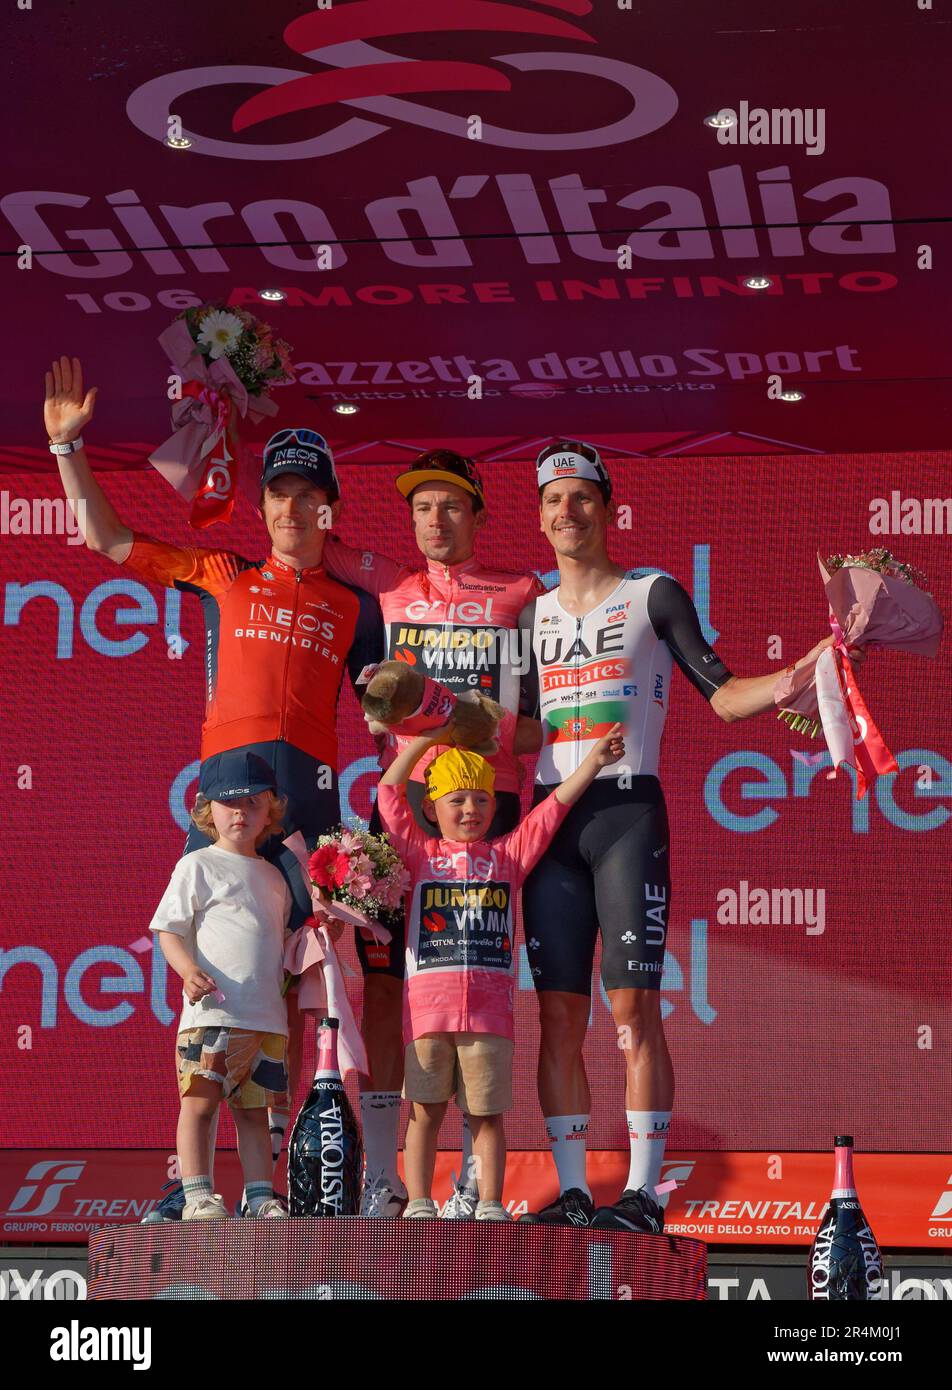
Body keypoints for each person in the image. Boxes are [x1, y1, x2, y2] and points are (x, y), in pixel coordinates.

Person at [44, 357, 382, 1219]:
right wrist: (66, 448)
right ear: (263, 503)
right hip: (229, 793)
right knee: (208, 971)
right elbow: (107, 541)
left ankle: (302, 1174)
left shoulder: (355, 605)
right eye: (280, 493)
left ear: (328, 508)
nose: (293, 508)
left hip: (307, 798)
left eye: (310, 495)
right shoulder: (223, 574)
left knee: (307, 981)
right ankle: (185, 1179)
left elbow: (387, 713)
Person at [518, 440, 865, 1229]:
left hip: (626, 815)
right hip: (549, 821)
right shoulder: (526, 611)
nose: (566, 513)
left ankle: (641, 1196)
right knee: (559, 1016)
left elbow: (723, 695)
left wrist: (800, 674)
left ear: (605, 509)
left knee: (633, 1007)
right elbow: (511, 732)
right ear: (539, 518)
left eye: (580, 498)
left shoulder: (652, 594)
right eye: (552, 501)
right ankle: (573, 1194)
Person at [325, 449, 543, 1217]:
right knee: (387, 988)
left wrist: (487, 725)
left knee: (483, 979)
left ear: (479, 514)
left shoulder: (520, 593)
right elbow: (306, 533)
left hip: (490, 810)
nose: (436, 520)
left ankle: (477, 1182)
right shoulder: (388, 584)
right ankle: (386, 1177)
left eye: (451, 505)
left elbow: (543, 726)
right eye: (422, 507)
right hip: (404, 811)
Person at [377, 724, 626, 1219]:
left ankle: (490, 1203)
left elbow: (549, 814)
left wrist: (594, 763)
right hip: (427, 1014)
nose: (471, 810)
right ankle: (421, 1202)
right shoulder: (418, 855)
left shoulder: (505, 858)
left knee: (486, 1116)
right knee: (424, 1112)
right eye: (458, 800)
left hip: (490, 1018)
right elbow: (387, 793)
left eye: (482, 800)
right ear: (431, 809)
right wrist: (429, 742)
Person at [148, 751, 296, 1220]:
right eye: (229, 803)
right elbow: (168, 929)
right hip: (211, 1015)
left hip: (265, 1019)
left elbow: (284, 943)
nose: (241, 813)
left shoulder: (277, 876)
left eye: (254, 803)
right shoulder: (197, 865)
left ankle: (258, 1197)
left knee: (254, 1114)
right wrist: (188, 970)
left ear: (270, 810)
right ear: (205, 810)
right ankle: (196, 1196)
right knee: (200, 1104)